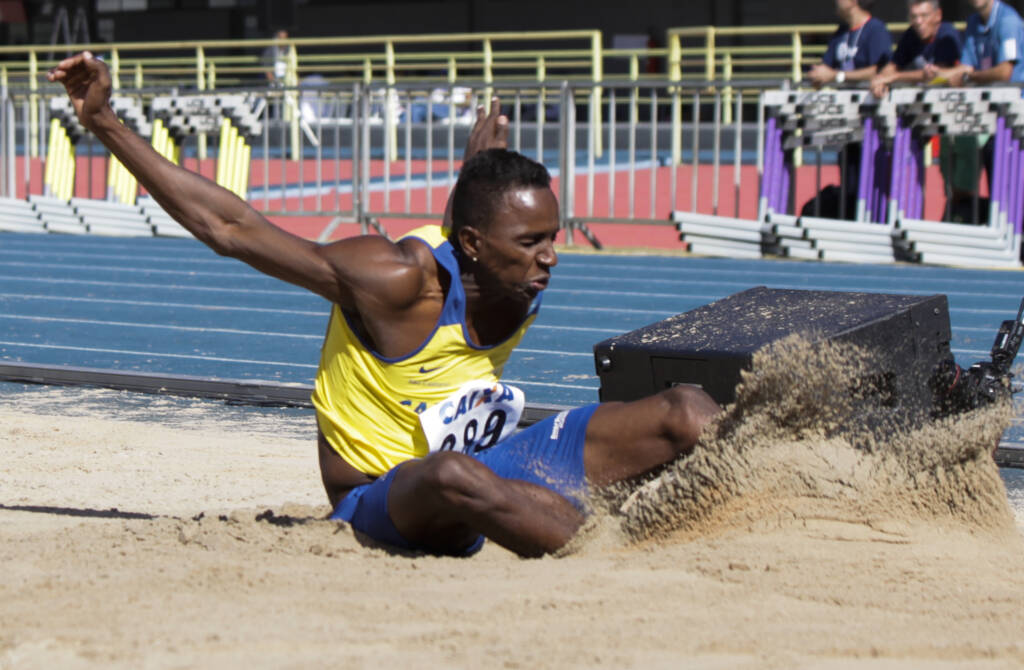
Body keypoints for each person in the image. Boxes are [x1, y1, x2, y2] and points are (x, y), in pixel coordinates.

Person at [48, 51, 722, 559]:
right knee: (452, 474)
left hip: (490, 470)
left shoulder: (517, 274)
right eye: (530, 241)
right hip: (383, 498)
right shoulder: (394, 280)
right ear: (474, 244)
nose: (551, 257)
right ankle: (622, 556)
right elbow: (231, 230)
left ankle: (757, 507)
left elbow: (473, 224)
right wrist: (105, 121)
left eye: (553, 236)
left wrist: (475, 169)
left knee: (686, 409)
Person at [924, 0, 1024, 226]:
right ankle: (970, 217)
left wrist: (969, 77)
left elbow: (1005, 72)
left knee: (1007, 183)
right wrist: (942, 73)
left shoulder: (1008, 22)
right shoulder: (973, 23)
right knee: (956, 146)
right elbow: (966, 68)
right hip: (988, 117)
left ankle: (1011, 233)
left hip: (1016, 120)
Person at [803, 0, 894, 220]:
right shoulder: (841, 33)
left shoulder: (876, 29)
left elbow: (880, 69)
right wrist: (818, 76)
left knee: (872, 183)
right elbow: (828, 67)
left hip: (873, 125)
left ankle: (874, 224)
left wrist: (837, 76)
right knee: (849, 180)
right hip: (848, 123)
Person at [869, 0, 962, 98]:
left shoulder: (947, 34)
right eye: (914, 16)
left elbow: (936, 75)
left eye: (924, 15)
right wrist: (880, 81)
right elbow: (892, 66)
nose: (918, 21)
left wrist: (894, 77)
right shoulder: (911, 34)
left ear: (938, 15)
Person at [807, 0, 893, 90]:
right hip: (843, 98)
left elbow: (878, 71)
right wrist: (817, 74)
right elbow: (827, 65)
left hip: (868, 98)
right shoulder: (841, 31)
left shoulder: (876, 29)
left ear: (853, 1)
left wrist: (837, 75)